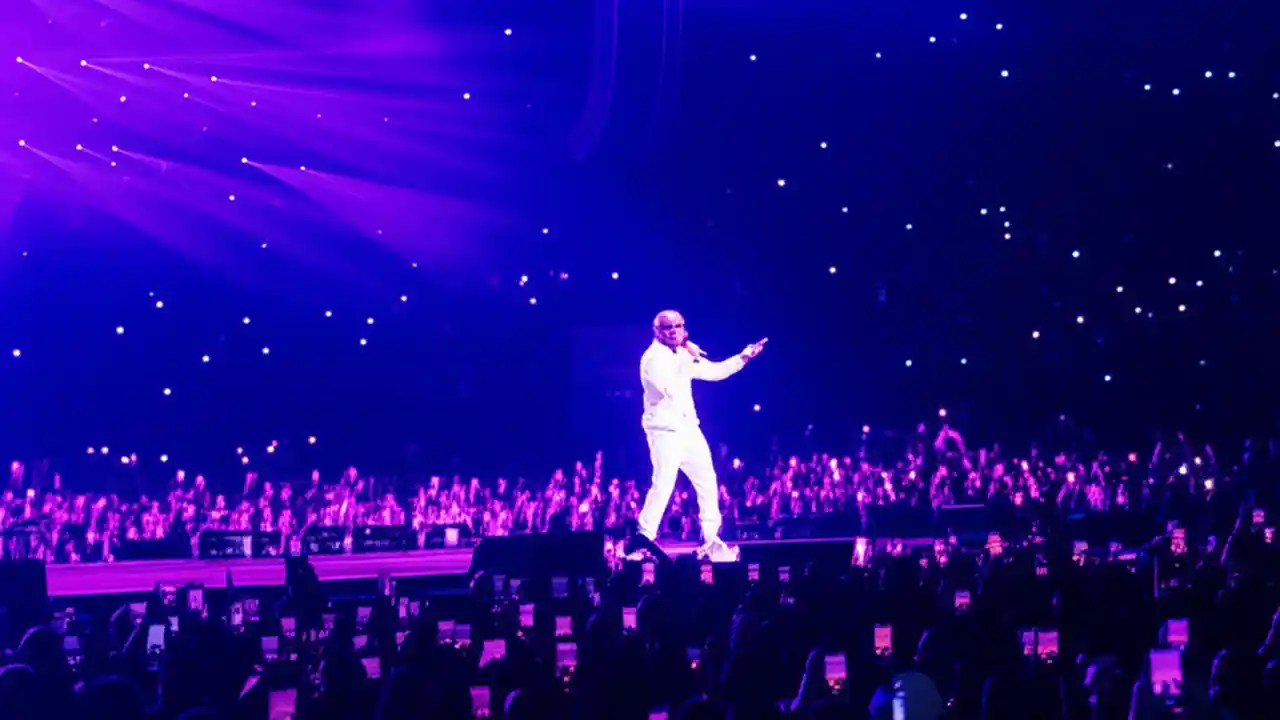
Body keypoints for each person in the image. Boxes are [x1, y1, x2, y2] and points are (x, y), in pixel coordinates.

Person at [626, 310, 767, 562]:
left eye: (678, 326)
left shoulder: (682, 353)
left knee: (707, 481)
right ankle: (643, 537)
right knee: (664, 482)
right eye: (668, 327)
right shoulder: (652, 358)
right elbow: (667, 387)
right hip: (664, 431)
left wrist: (743, 357)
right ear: (657, 331)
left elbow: (713, 372)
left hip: (689, 428)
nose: (674, 331)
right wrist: (687, 352)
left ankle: (711, 540)